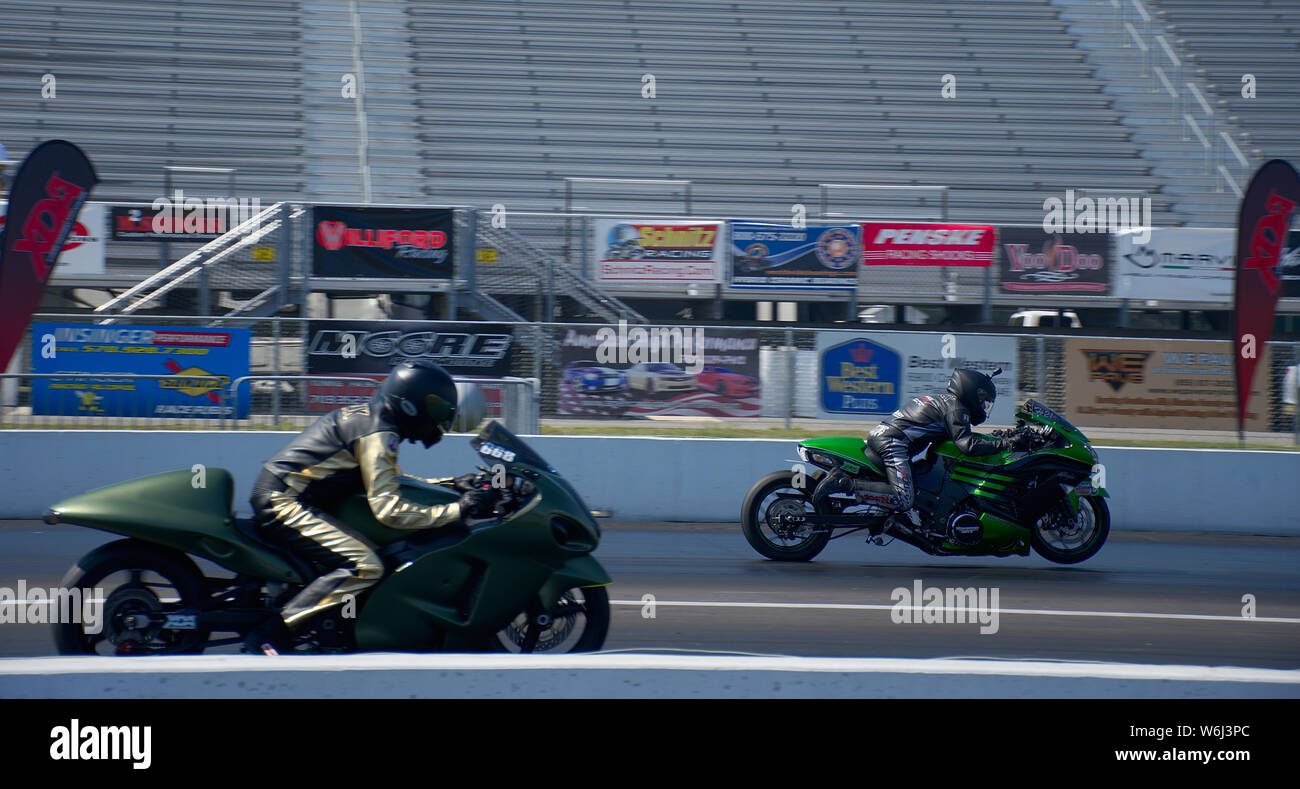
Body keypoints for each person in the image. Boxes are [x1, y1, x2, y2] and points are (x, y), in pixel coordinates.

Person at [245, 359, 492, 654]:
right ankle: (272, 634)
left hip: (290, 494)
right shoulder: (380, 432)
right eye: (437, 409)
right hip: (283, 500)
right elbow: (389, 509)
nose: (440, 421)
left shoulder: (378, 422)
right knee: (365, 566)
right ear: (412, 402)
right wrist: (458, 510)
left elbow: (386, 479)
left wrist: (450, 484)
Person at [848, 368, 1029, 520]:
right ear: (972, 392)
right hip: (892, 442)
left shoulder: (947, 402)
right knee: (904, 498)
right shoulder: (957, 408)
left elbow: (960, 434)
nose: (983, 407)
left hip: (886, 437)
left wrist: (1001, 436)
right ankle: (847, 485)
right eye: (983, 400)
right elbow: (968, 445)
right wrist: (1007, 444)